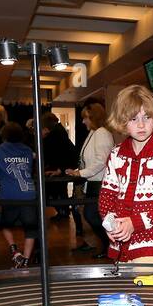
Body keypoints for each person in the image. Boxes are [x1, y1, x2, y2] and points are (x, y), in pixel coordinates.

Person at [97, 84, 153, 264]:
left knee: (146, 285)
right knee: (127, 290)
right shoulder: (116, 154)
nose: (141, 124)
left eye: (147, 117)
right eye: (133, 119)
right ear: (122, 122)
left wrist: (134, 223)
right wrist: (110, 222)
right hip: (121, 241)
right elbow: (107, 196)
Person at [66, 100, 114, 258]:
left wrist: (80, 173)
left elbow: (101, 161)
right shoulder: (95, 133)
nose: (83, 121)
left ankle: (111, 246)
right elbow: (92, 161)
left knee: (92, 215)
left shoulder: (101, 133)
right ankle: (109, 246)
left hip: (100, 184)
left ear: (94, 117)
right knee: (92, 215)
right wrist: (78, 171)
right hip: (94, 184)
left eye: (86, 117)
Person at [0, 122, 39, 268]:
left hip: (10, 194)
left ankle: (14, 251)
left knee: (5, 225)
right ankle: (25, 258)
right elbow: (30, 168)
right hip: (29, 193)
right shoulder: (27, 150)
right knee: (30, 228)